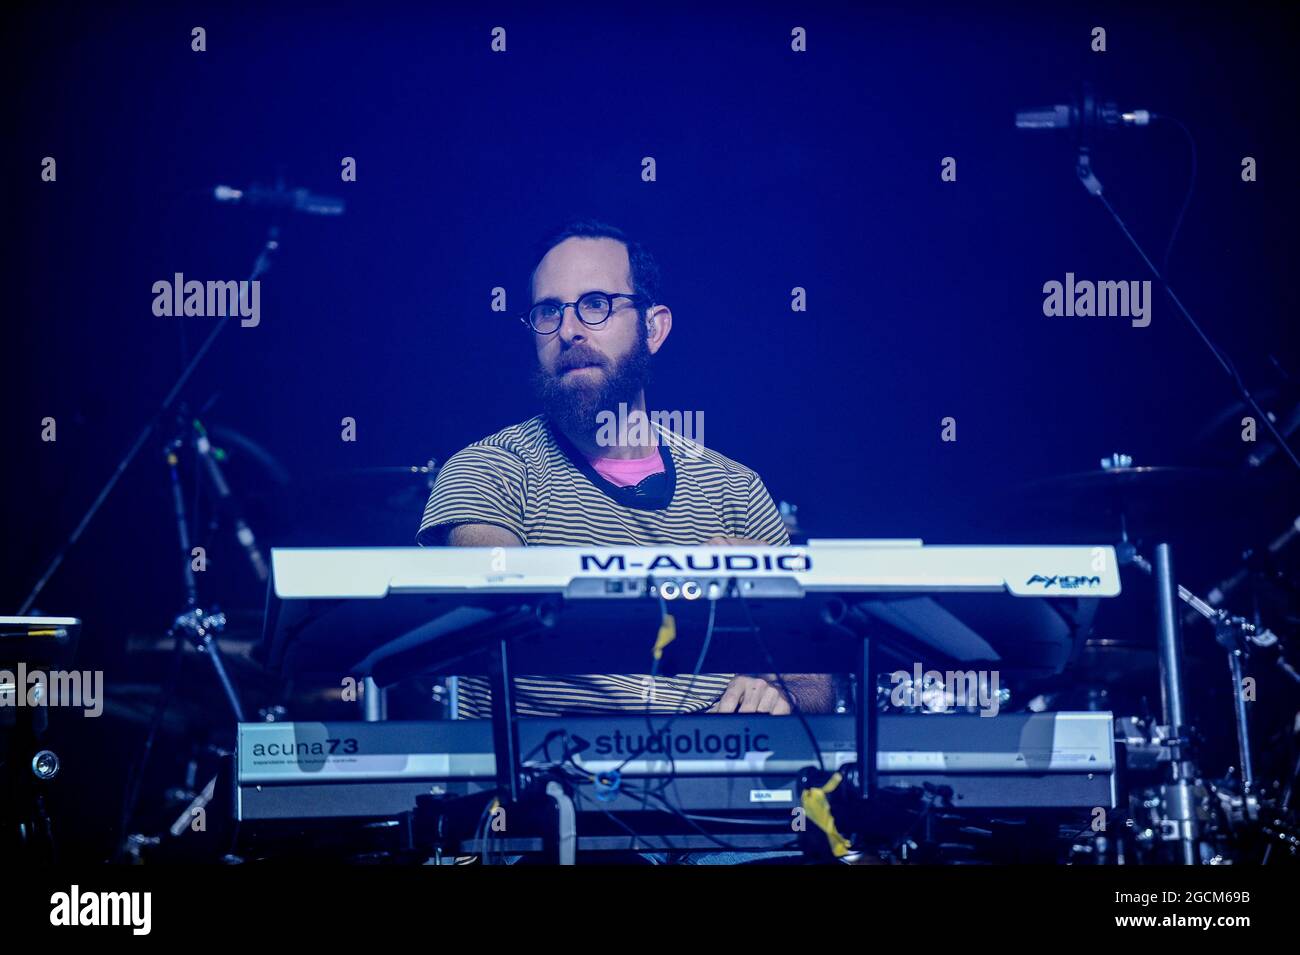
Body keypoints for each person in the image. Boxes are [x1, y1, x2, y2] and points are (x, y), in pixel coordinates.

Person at [417, 219, 832, 718]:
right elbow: (503, 608)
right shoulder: (490, 468)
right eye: (549, 311)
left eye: (596, 305)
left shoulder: (735, 488)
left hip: (711, 786)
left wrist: (781, 693)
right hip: (544, 785)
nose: (569, 331)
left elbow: (818, 688)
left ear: (653, 329)